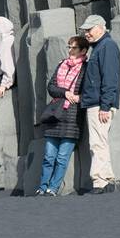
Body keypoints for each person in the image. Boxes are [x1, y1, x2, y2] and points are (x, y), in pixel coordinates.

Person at [36, 36, 89, 196]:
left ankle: (53, 188)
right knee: (48, 157)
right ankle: (42, 187)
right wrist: (66, 93)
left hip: (73, 118)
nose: (70, 51)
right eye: (69, 47)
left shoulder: (86, 68)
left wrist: (79, 97)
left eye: (74, 48)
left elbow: (87, 90)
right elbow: (51, 87)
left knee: (61, 158)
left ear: (83, 51)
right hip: (55, 116)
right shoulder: (61, 65)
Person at [79, 14, 120, 195]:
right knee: (101, 142)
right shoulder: (99, 47)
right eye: (85, 30)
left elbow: (110, 78)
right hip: (98, 102)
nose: (86, 33)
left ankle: (99, 181)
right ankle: (108, 179)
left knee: (97, 143)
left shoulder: (107, 46)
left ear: (100, 28)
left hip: (99, 104)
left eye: (89, 30)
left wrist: (105, 106)